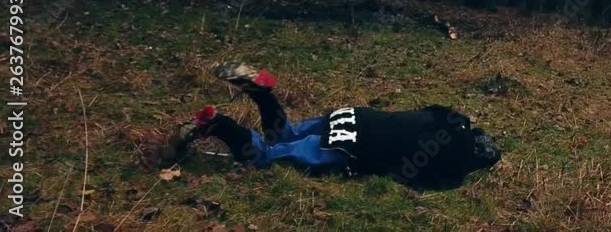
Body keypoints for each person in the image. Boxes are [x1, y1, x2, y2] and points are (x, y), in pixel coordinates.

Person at [159, 62, 501, 189]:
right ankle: (217, 125)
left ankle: (261, 94)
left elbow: (426, 109)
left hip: (352, 116)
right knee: (266, 157)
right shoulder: (452, 173)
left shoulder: (453, 119)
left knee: (286, 136)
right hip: (349, 145)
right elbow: (410, 179)